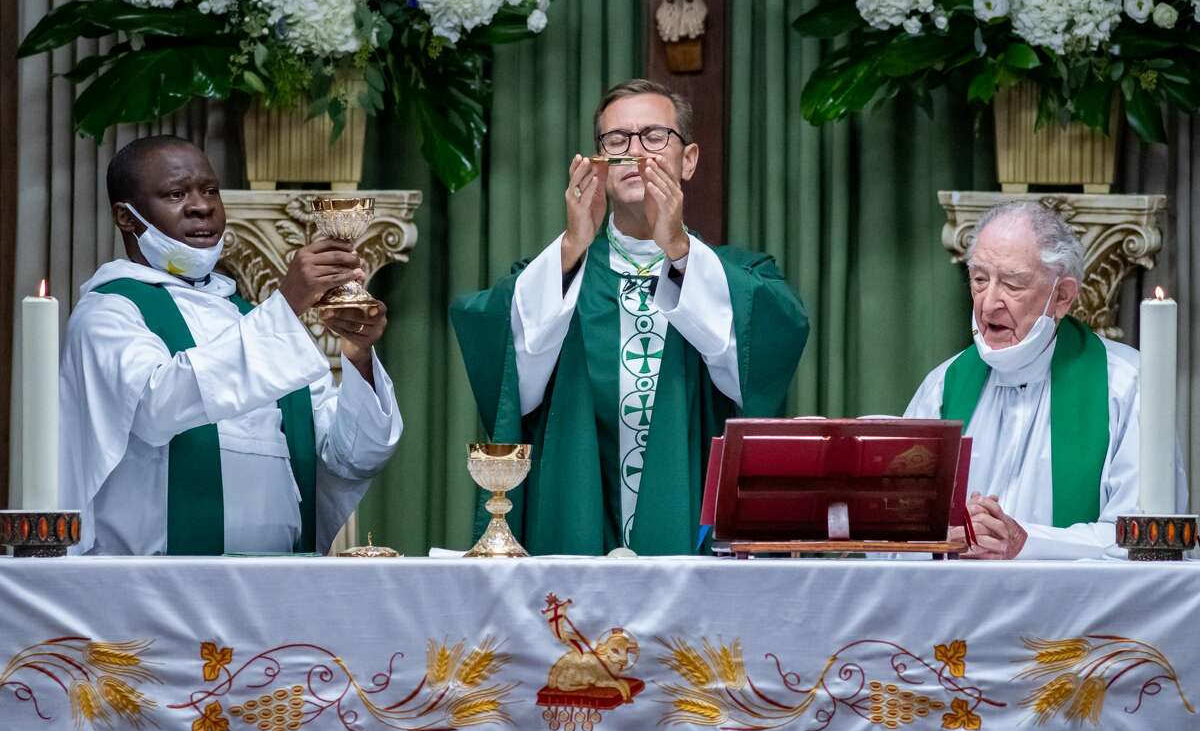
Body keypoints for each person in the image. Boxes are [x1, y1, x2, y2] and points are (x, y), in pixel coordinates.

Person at [451, 79, 809, 556]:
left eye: (655, 136)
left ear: (689, 160)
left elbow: (763, 361)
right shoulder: (559, 275)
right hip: (577, 519)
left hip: (690, 527)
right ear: (597, 164)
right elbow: (510, 379)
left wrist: (677, 248)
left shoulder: (737, 277)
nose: (635, 152)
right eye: (617, 140)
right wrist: (572, 246)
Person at [60, 135, 402, 555]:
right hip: (156, 581)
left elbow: (350, 458)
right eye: (176, 194)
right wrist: (287, 304)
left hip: (275, 576)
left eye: (209, 191)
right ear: (126, 217)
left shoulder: (249, 320)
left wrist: (358, 355)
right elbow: (157, 405)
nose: (201, 206)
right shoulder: (110, 311)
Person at [905, 201, 1187, 559]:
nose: (988, 304)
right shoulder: (943, 387)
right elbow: (890, 537)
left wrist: (1027, 544)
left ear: (1062, 296)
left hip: (1076, 597)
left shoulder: (1125, 385)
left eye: (1012, 284)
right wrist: (939, 539)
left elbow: (1148, 540)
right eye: (979, 280)